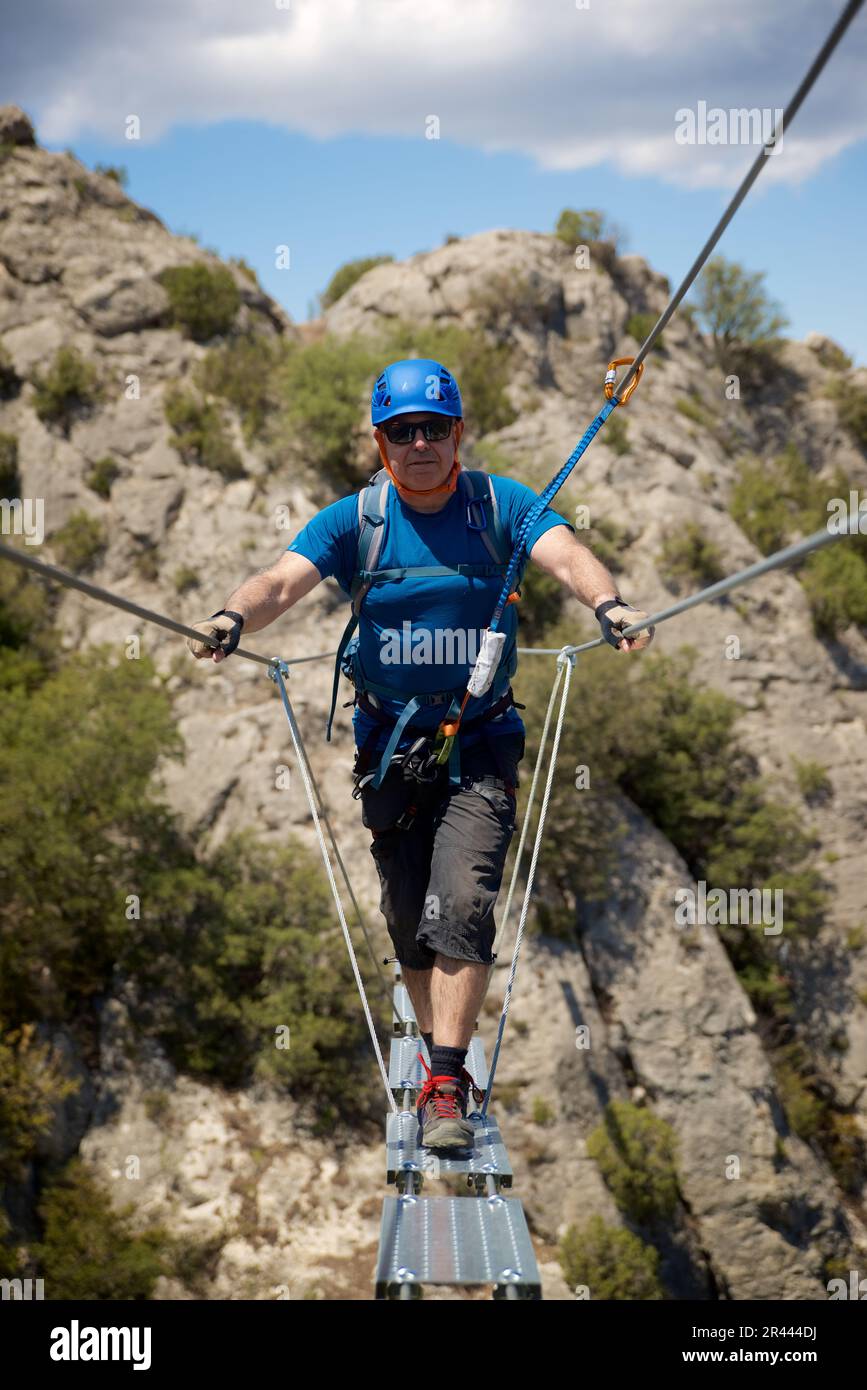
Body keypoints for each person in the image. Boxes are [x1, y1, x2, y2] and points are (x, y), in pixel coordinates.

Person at [187, 357, 655, 1150]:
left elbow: (564, 554)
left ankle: (444, 1078)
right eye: (400, 432)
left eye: (433, 428)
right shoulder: (355, 521)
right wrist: (232, 619)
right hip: (389, 746)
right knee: (411, 915)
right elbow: (278, 581)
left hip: (479, 740)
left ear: (457, 434)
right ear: (379, 441)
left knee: (464, 901)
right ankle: (434, 1035)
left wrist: (606, 602)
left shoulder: (499, 505)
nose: (418, 445)